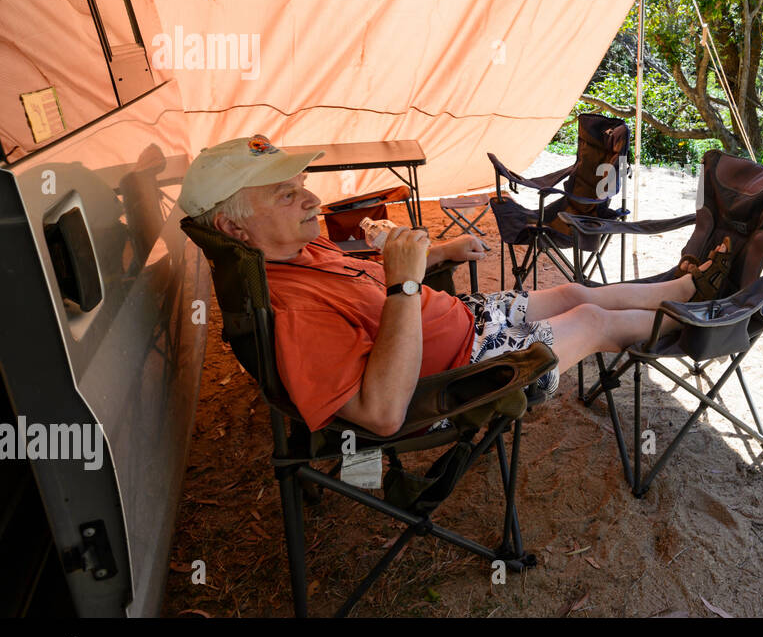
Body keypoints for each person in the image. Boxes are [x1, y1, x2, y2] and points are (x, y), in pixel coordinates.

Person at [179, 135, 722, 438]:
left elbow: (378, 279)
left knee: (570, 293)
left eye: (303, 188)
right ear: (233, 228)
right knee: (591, 322)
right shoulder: (291, 307)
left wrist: (437, 254)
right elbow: (382, 413)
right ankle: (703, 324)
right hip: (465, 373)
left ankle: (679, 290)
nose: (312, 201)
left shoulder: (300, 249)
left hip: (466, 319)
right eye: (285, 196)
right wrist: (405, 287)